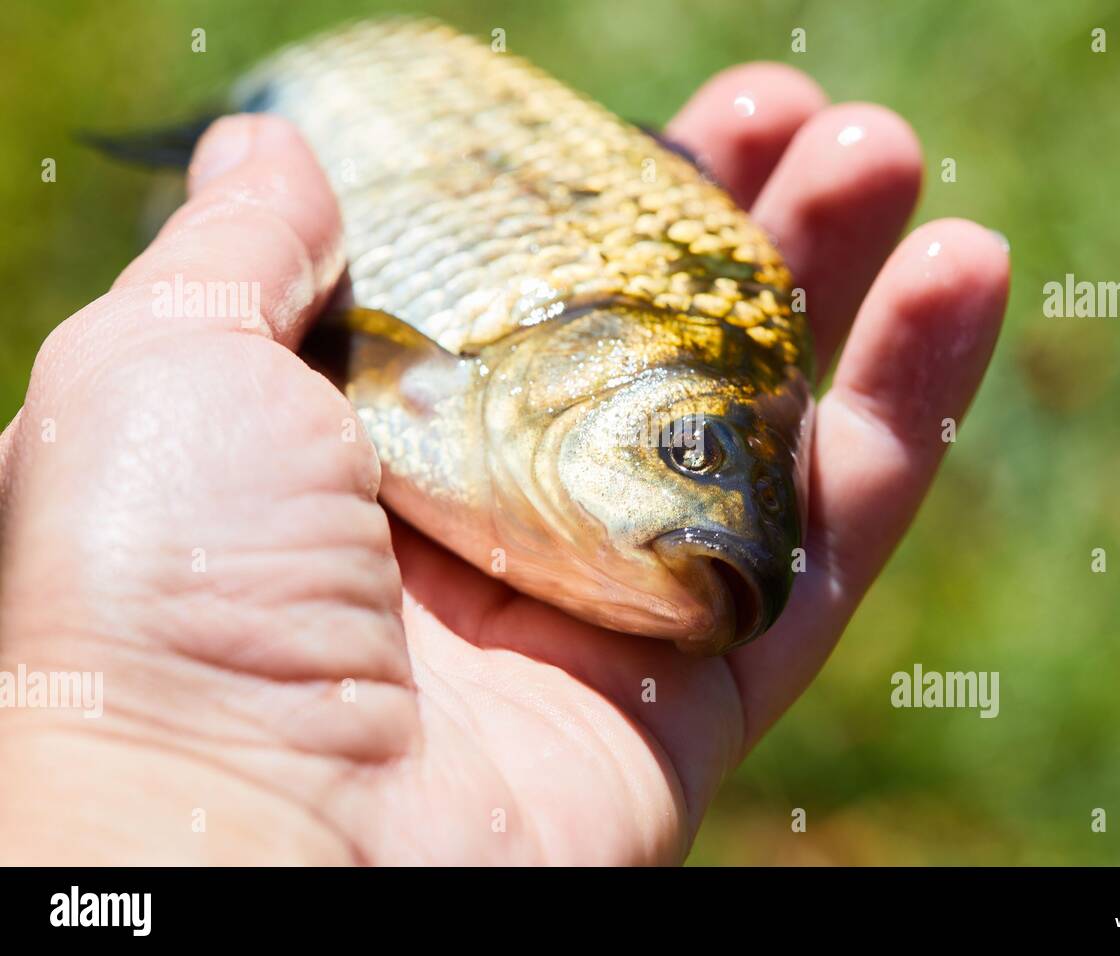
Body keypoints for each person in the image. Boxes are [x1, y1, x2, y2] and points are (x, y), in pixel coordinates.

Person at [0, 64, 1008, 864]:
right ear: (592, 350)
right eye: (682, 443)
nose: (730, 533)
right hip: (367, 82)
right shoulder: (443, 384)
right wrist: (131, 732)